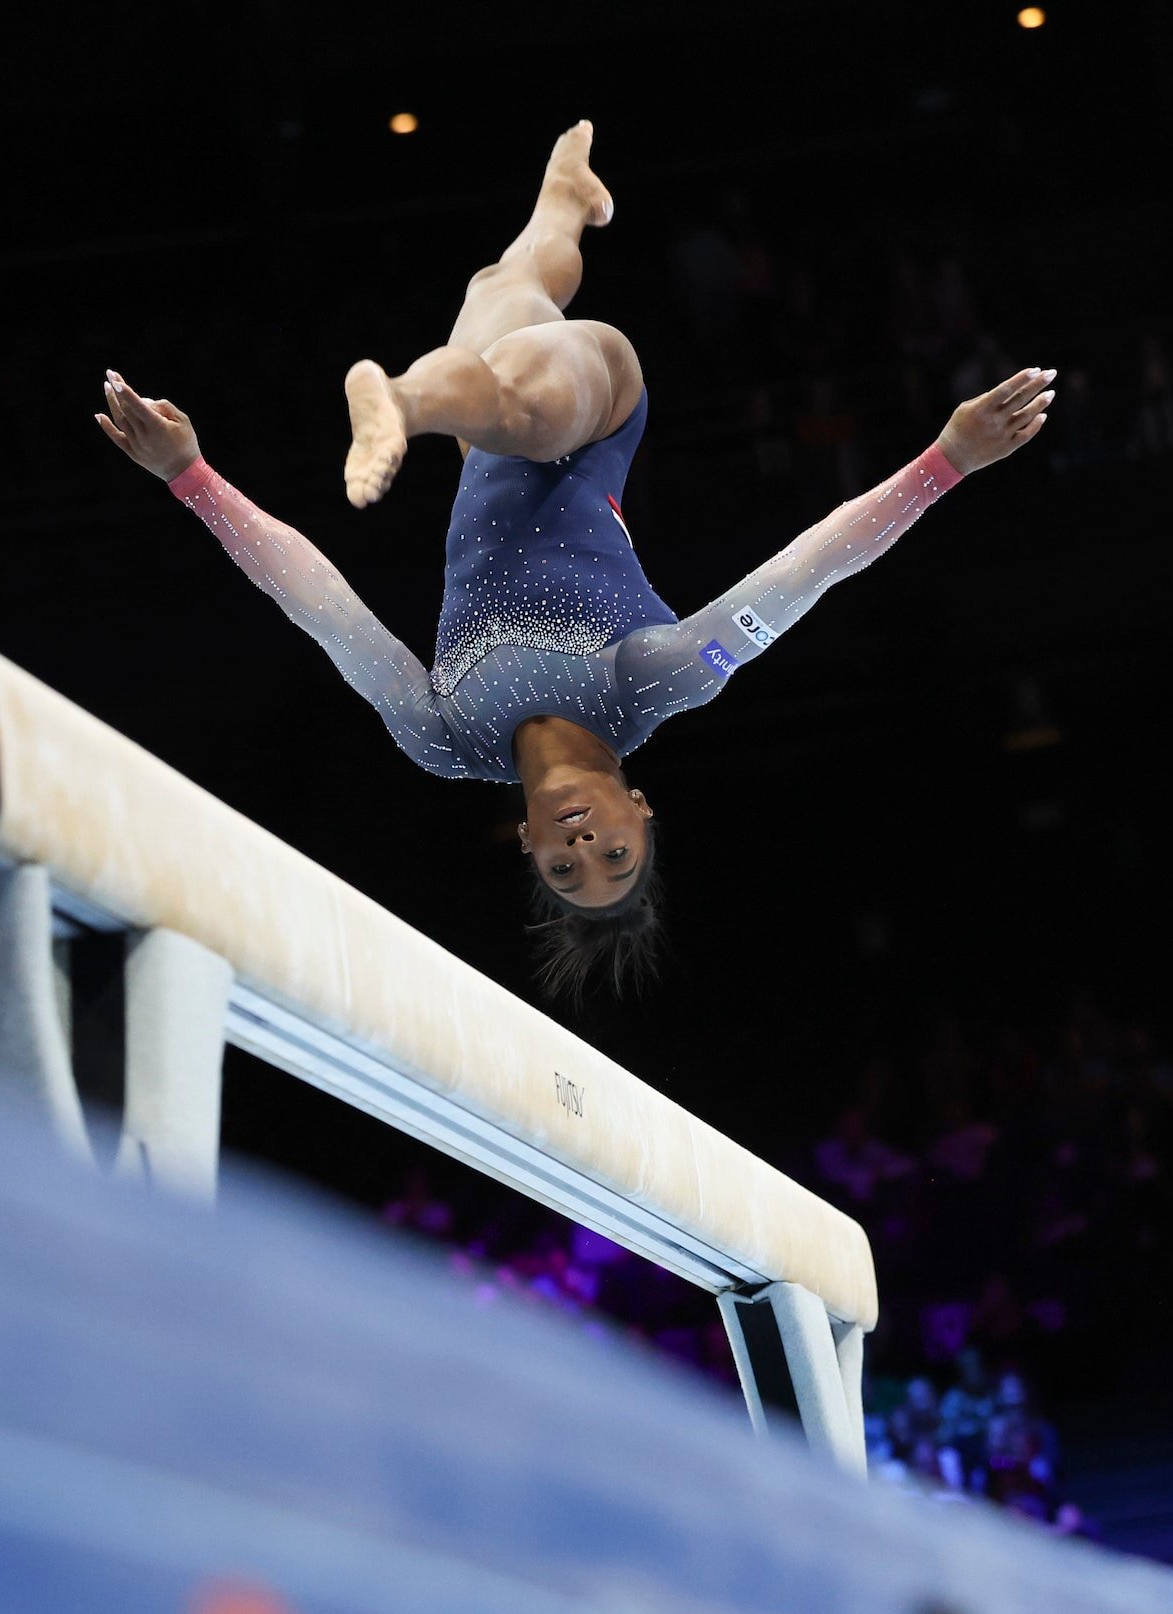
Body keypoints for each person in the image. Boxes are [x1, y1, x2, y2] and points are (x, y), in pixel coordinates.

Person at [93, 121, 1055, 1000]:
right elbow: (811, 567)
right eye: (614, 857)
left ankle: (563, 204)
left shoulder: (443, 738)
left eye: (563, 869)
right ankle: (399, 403)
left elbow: (321, 608)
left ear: (525, 843)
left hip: (485, 428)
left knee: (506, 289)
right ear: (642, 810)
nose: (582, 846)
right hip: (595, 411)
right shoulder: (656, 684)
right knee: (522, 405)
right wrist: (946, 462)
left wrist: (191, 478)